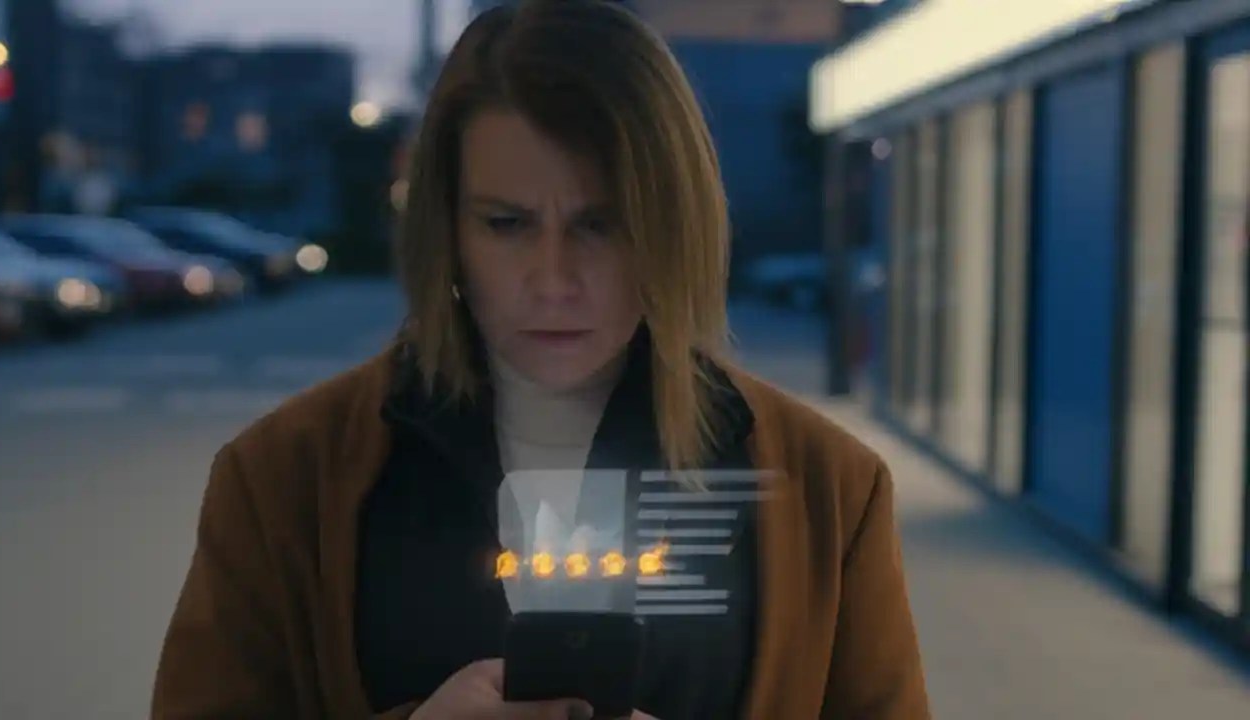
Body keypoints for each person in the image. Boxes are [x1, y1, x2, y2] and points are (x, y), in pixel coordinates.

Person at [150, 1, 930, 718]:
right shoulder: (283, 477)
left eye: (602, 225)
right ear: (447, 228)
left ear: (672, 223)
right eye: (507, 223)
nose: (553, 281)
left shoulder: (831, 490)